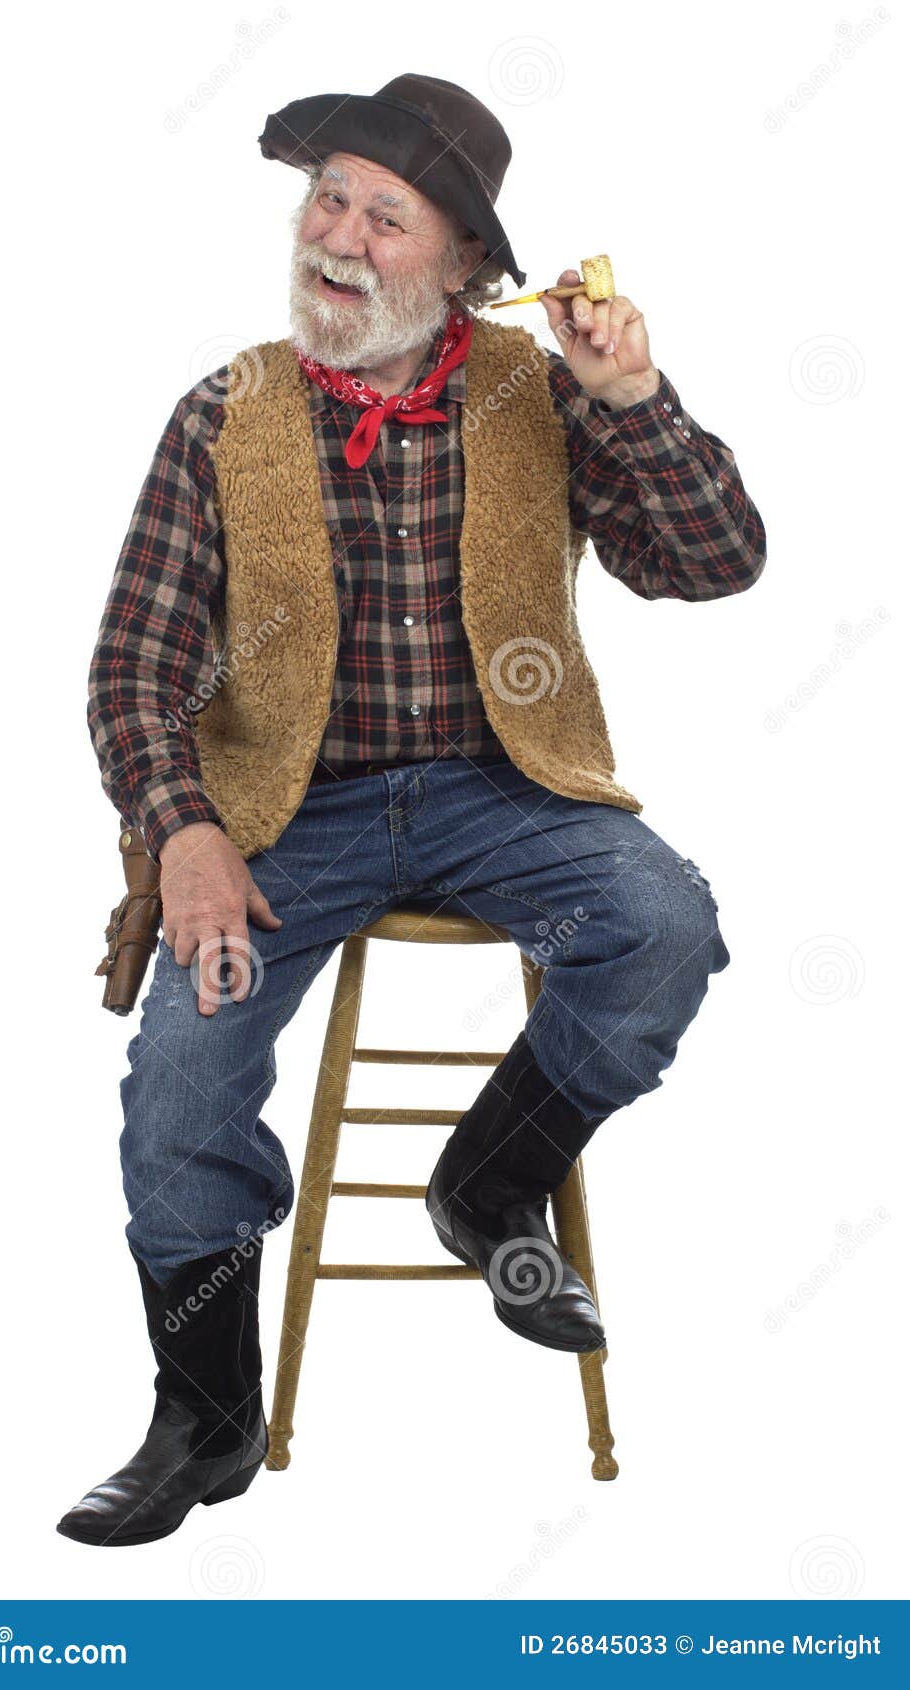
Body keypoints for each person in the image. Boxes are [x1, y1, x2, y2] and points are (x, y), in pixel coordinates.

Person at [57, 74, 765, 1547]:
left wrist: (630, 394)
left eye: (390, 216)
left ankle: (488, 1177)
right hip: (280, 812)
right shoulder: (226, 410)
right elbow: (135, 661)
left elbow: (715, 563)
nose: (343, 236)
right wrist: (184, 827)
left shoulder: (543, 391)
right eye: (330, 199)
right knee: (182, 1072)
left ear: (461, 268)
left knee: (660, 924)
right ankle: (206, 1411)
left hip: (504, 793)